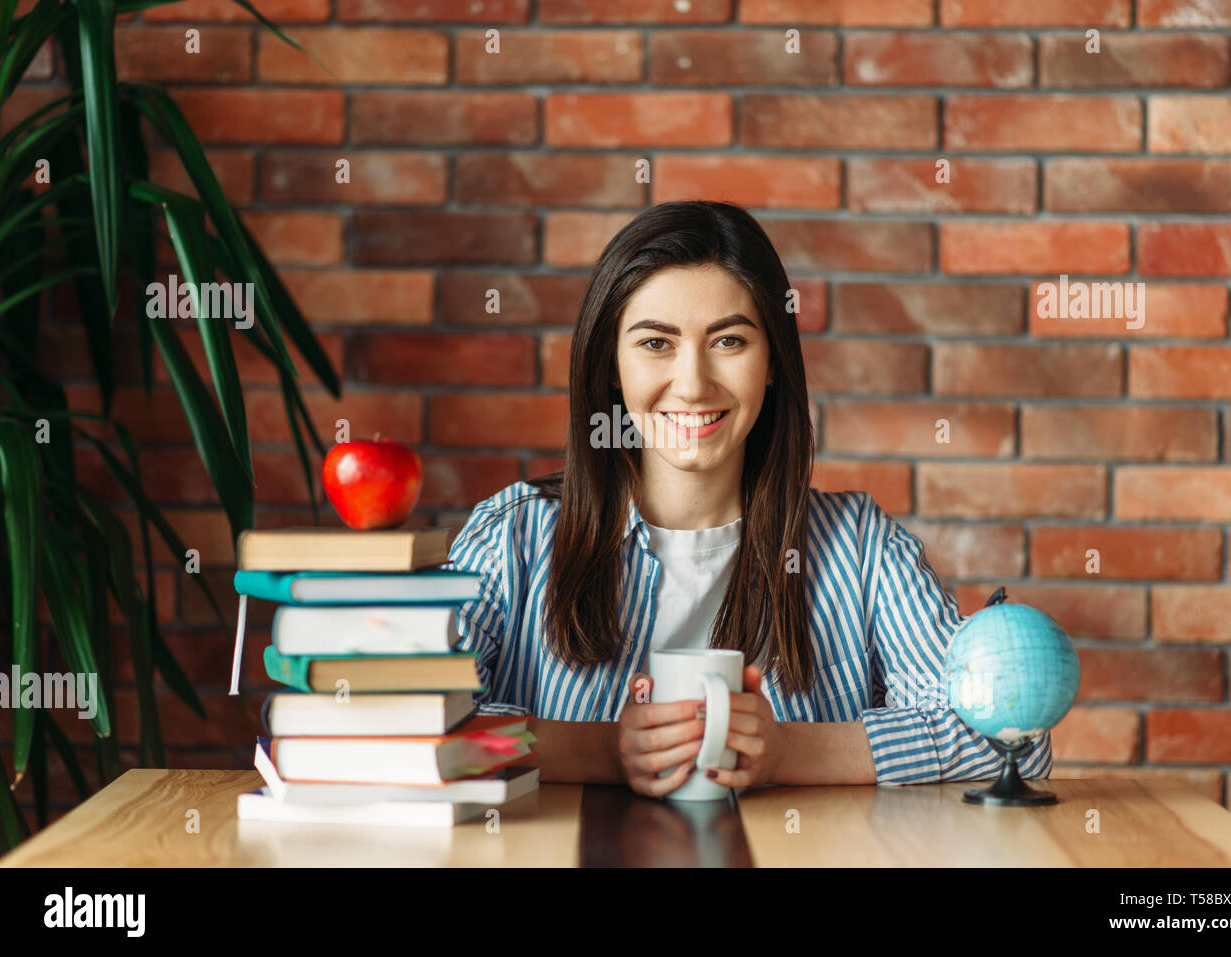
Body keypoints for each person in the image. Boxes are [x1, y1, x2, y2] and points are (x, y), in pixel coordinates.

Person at [445, 200, 1052, 797]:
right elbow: (418, 725)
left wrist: (787, 751)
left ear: (770, 363)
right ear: (611, 367)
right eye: (656, 343)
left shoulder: (859, 548)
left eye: (728, 341)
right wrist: (606, 751)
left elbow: (1012, 736)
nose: (692, 384)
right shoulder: (512, 537)